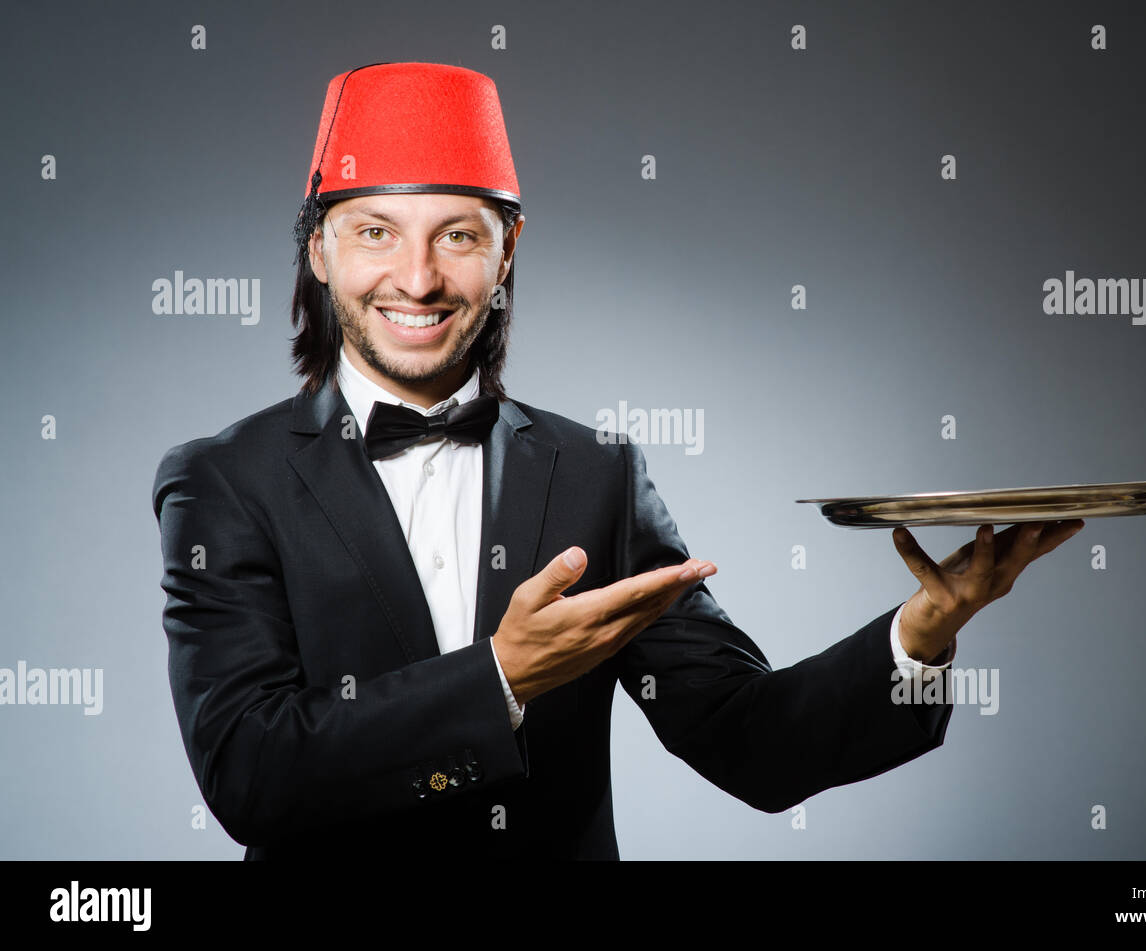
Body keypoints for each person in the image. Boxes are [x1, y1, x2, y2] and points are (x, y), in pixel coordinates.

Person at [151, 62, 1084, 859]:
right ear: (320, 249)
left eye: (459, 235)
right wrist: (501, 677)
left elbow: (749, 742)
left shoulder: (595, 475)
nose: (420, 276)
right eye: (376, 231)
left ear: (508, 250)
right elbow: (248, 770)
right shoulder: (224, 482)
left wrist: (916, 637)